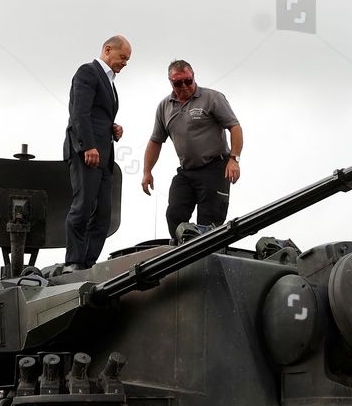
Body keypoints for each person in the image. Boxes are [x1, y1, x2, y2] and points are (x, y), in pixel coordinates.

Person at [141, 60, 243, 235]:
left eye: (188, 81)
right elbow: (155, 141)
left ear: (193, 77)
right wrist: (147, 171)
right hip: (187, 171)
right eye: (178, 83)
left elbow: (235, 127)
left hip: (215, 168)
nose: (184, 86)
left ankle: (207, 256)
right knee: (174, 214)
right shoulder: (164, 106)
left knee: (209, 222)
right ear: (171, 83)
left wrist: (234, 159)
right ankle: (179, 254)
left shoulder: (212, 98)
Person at [62, 35, 131, 268]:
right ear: (107, 49)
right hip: (86, 153)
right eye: (122, 57)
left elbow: (98, 115)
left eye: (127, 60)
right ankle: (73, 261)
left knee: (103, 215)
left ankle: (87, 264)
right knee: (82, 207)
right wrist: (87, 146)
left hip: (105, 155)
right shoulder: (87, 72)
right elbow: (79, 112)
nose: (125, 63)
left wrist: (113, 129)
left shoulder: (110, 82)